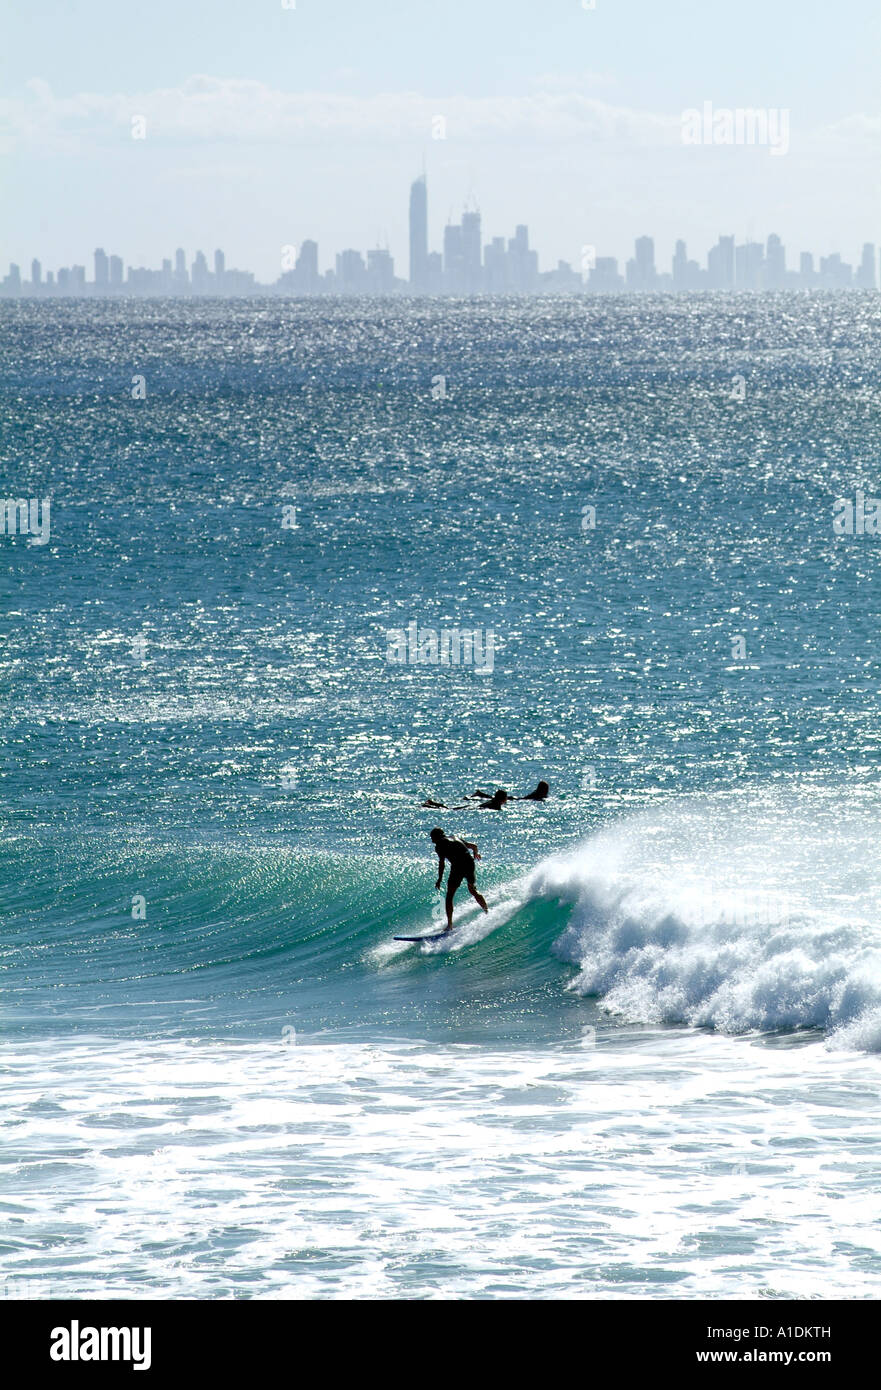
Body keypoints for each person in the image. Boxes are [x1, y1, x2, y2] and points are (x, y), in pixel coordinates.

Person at [429, 827, 488, 931]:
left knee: (449, 896)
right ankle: (487, 912)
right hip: (469, 863)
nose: (432, 840)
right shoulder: (455, 837)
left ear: (437, 836)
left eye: (432, 837)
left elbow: (441, 864)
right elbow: (474, 846)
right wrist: (475, 853)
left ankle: (449, 925)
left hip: (458, 867)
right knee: (473, 890)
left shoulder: (439, 845)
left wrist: (439, 880)